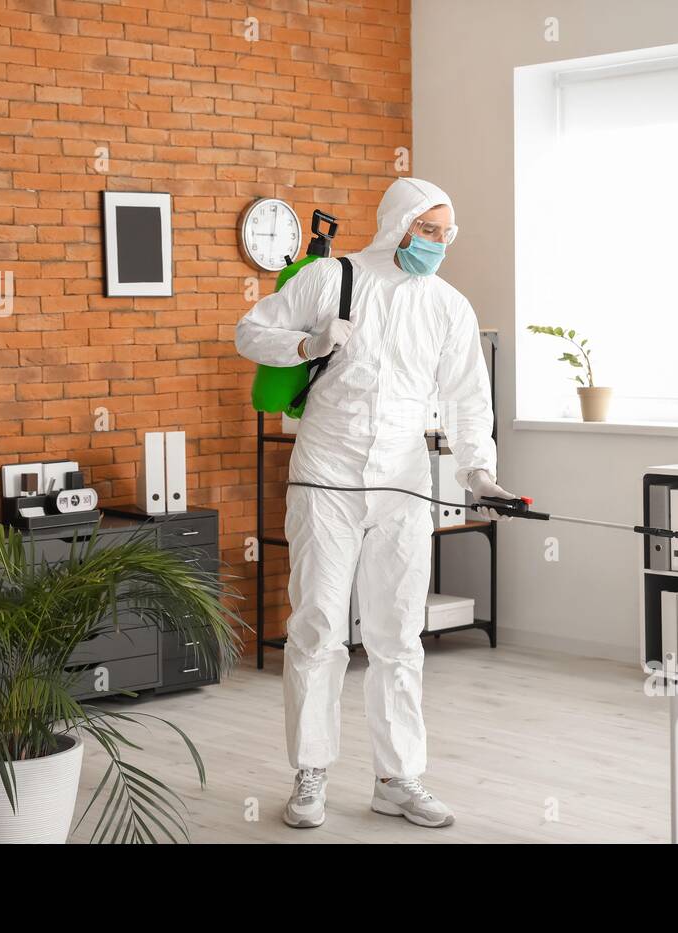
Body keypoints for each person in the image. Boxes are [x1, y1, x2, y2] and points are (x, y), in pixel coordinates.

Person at [235, 177, 516, 829]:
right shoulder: (329, 278)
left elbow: (471, 398)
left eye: (447, 233)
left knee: (397, 634)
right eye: (429, 230)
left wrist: (480, 470)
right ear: (398, 224)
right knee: (318, 627)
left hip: (402, 480)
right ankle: (310, 775)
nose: (438, 244)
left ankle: (398, 777)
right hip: (325, 471)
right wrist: (307, 344)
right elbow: (251, 333)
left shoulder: (448, 307)